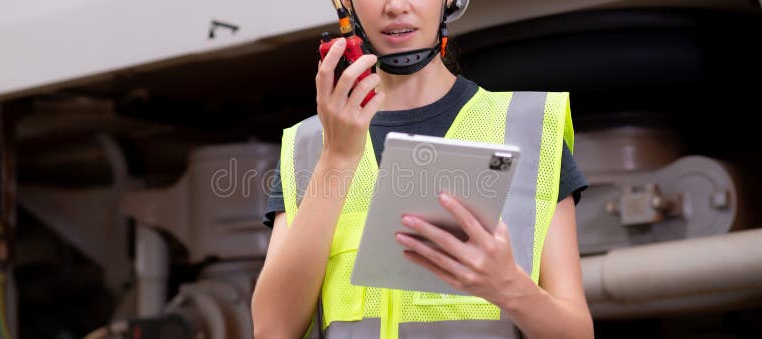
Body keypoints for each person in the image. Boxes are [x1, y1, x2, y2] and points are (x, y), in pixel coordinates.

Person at [252, 0, 593, 338]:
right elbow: (272, 331)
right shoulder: (309, 145)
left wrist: (511, 288)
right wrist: (337, 158)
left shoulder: (528, 128)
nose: (396, 6)